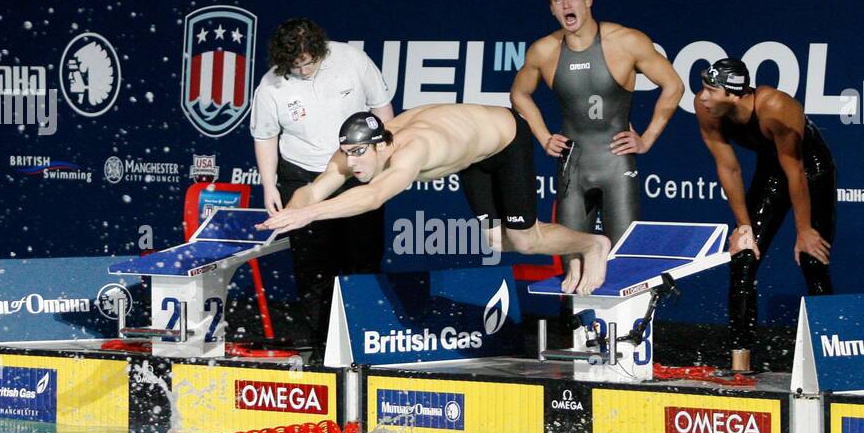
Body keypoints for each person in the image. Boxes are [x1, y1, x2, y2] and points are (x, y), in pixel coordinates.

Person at [258, 105, 612, 295]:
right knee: (494, 240)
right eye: (347, 153)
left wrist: (311, 215)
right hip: (473, 155)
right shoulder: (355, 152)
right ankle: (571, 247)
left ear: (382, 145)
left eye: (359, 154)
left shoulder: (413, 150)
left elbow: (374, 196)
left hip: (505, 141)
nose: (351, 163)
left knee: (523, 238)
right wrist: (293, 211)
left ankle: (592, 244)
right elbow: (314, 189)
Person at [511, 0, 684, 288]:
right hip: (572, 167)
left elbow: (673, 85)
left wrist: (646, 139)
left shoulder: (626, 41)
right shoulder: (544, 50)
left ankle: (631, 335)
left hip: (615, 163)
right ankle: (581, 333)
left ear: (588, 0)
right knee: (572, 264)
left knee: (622, 258)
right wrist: (544, 136)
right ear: (551, 8)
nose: (566, 5)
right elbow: (518, 94)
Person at [249, 18, 394, 363]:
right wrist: (270, 183)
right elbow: (265, 135)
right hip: (303, 175)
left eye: (307, 62)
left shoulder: (352, 61)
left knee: (362, 260)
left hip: (356, 167)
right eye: (294, 65)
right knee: (313, 266)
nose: (302, 70)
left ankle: (363, 345)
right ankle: (322, 348)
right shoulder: (271, 86)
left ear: (320, 49)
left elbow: (383, 111)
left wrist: (383, 162)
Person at [696, 58, 836, 368]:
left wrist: (804, 231)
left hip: (810, 170)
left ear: (732, 94)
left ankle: (827, 358)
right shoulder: (706, 108)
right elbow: (728, 167)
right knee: (743, 257)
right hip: (772, 171)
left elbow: (796, 171)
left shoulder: (776, 107)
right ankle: (740, 364)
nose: (702, 96)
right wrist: (743, 227)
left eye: (710, 90)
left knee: (813, 259)